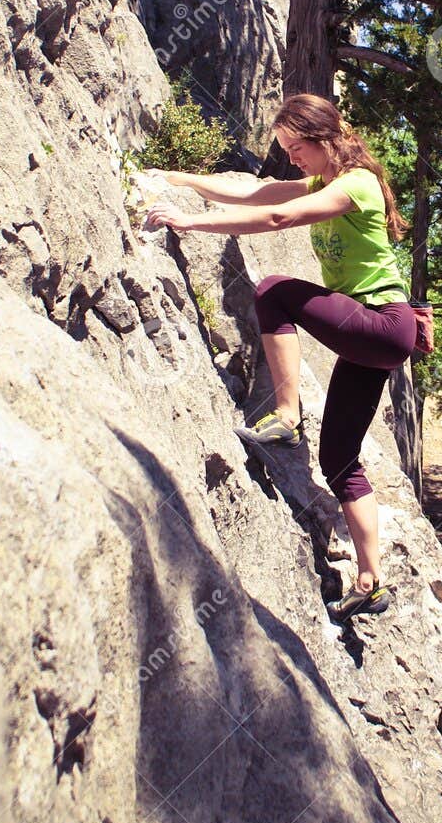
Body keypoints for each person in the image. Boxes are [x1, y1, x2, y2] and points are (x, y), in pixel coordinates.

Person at [142, 93, 416, 622]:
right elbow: (260, 191)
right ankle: (370, 579)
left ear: (323, 140)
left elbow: (275, 216)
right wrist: (187, 181)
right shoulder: (324, 181)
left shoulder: (354, 184)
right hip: (373, 339)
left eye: (295, 147)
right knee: (338, 459)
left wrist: (192, 224)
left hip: (384, 322)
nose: (291, 157)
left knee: (273, 292)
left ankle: (288, 416)